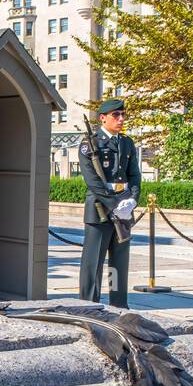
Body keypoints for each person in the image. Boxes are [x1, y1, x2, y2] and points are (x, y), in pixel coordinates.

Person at [78, 98, 141, 308]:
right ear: (103, 118)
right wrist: (115, 203)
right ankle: (88, 305)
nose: (121, 119)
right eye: (116, 115)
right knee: (93, 263)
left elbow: (134, 176)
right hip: (100, 210)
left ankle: (119, 305)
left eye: (123, 114)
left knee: (119, 264)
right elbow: (93, 182)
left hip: (123, 211)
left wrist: (132, 200)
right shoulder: (91, 144)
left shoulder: (127, 143)